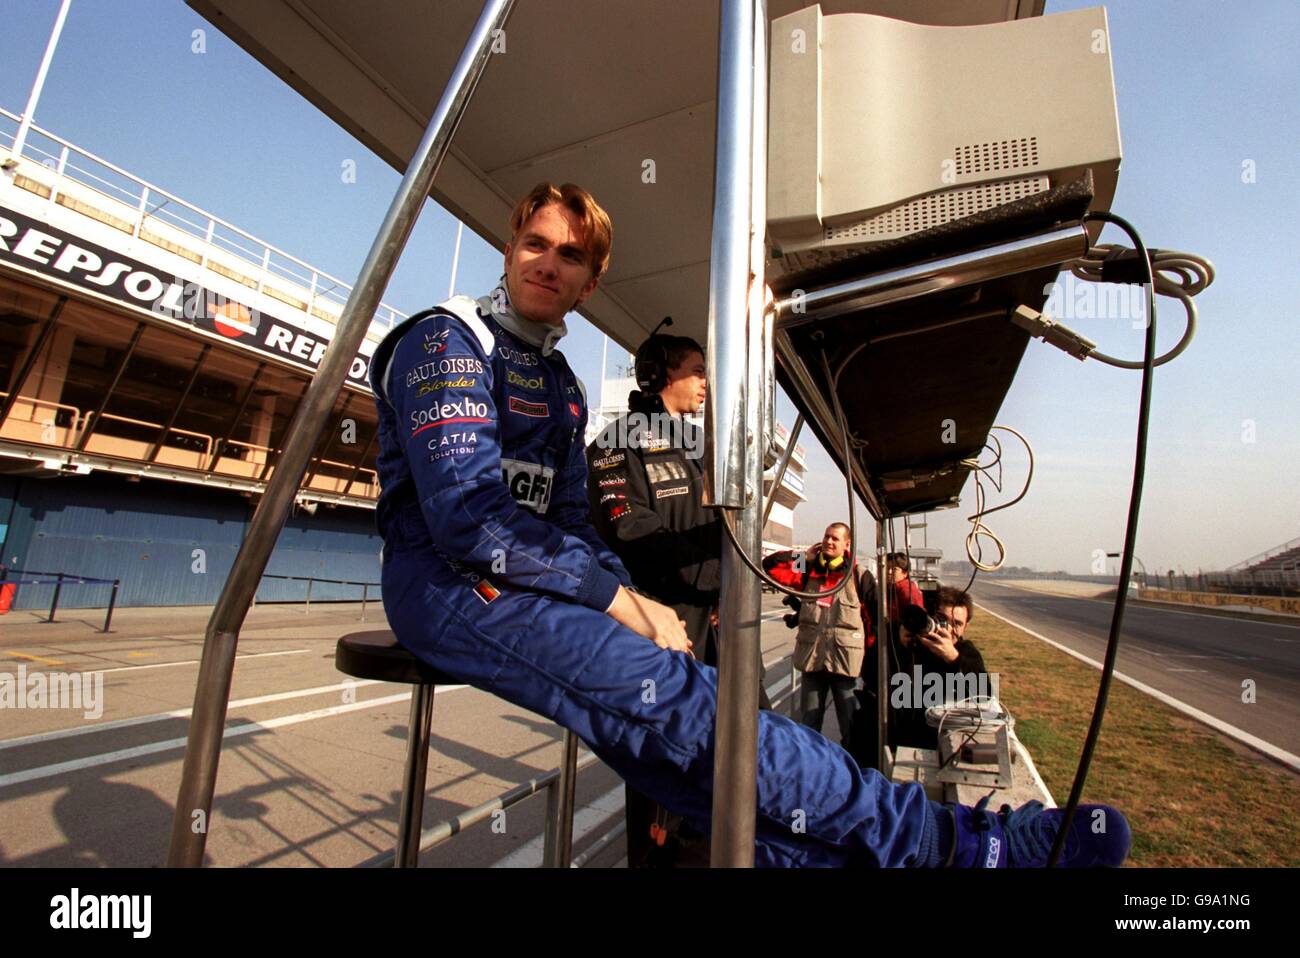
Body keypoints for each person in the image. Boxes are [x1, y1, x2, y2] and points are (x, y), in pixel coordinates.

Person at [368, 180, 1130, 867]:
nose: (548, 263)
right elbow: (469, 517)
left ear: (591, 282)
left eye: (570, 256)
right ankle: (947, 842)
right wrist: (619, 599)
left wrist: (626, 598)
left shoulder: (561, 384)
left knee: (680, 755)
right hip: (446, 580)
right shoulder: (446, 338)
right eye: (535, 244)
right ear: (509, 250)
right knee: (685, 706)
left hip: (536, 586)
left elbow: (572, 524)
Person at [585, 331, 721, 867]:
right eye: (697, 369)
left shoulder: (698, 446)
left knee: (720, 759)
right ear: (661, 375)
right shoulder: (617, 443)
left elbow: (719, 527)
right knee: (663, 773)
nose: (706, 382)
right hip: (655, 628)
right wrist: (710, 559)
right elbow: (627, 530)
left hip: (715, 623)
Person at [762, 523, 870, 747]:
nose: (829, 542)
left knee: (851, 725)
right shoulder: (809, 568)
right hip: (813, 660)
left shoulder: (859, 575)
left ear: (847, 544)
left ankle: (851, 771)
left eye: (835, 539)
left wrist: (869, 663)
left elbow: (873, 619)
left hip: (844, 664)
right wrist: (802, 555)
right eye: (827, 536)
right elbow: (769, 566)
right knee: (808, 725)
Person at [855, 585, 990, 757]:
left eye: (957, 624)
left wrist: (953, 658)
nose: (948, 628)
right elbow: (869, 675)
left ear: (965, 627)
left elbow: (984, 694)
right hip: (890, 739)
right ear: (930, 617)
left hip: (935, 743)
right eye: (942, 619)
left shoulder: (965, 652)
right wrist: (899, 644)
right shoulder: (902, 638)